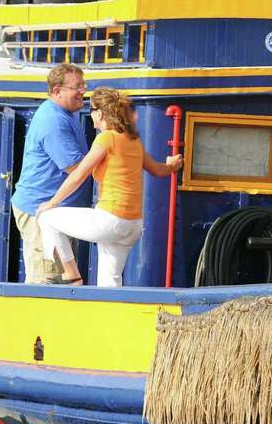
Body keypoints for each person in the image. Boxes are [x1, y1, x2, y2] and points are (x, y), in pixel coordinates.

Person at [35, 87, 183, 287]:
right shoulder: (133, 140)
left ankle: (72, 278)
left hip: (110, 219)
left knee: (47, 219)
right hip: (132, 225)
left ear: (101, 113)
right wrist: (172, 165)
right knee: (110, 282)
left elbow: (79, 174)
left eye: (92, 111)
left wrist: (52, 203)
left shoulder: (106, 137)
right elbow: (158, 170)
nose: (90, 116)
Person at [10, 64, 91, 284]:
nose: (83, 91)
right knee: (48, 280)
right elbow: (75, 168)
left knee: (62, 279)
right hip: (41, 211)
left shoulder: (65, 113)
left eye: (84, 85)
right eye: (77, 87)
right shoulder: (54, 122)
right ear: (57, 91)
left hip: (56, 212)